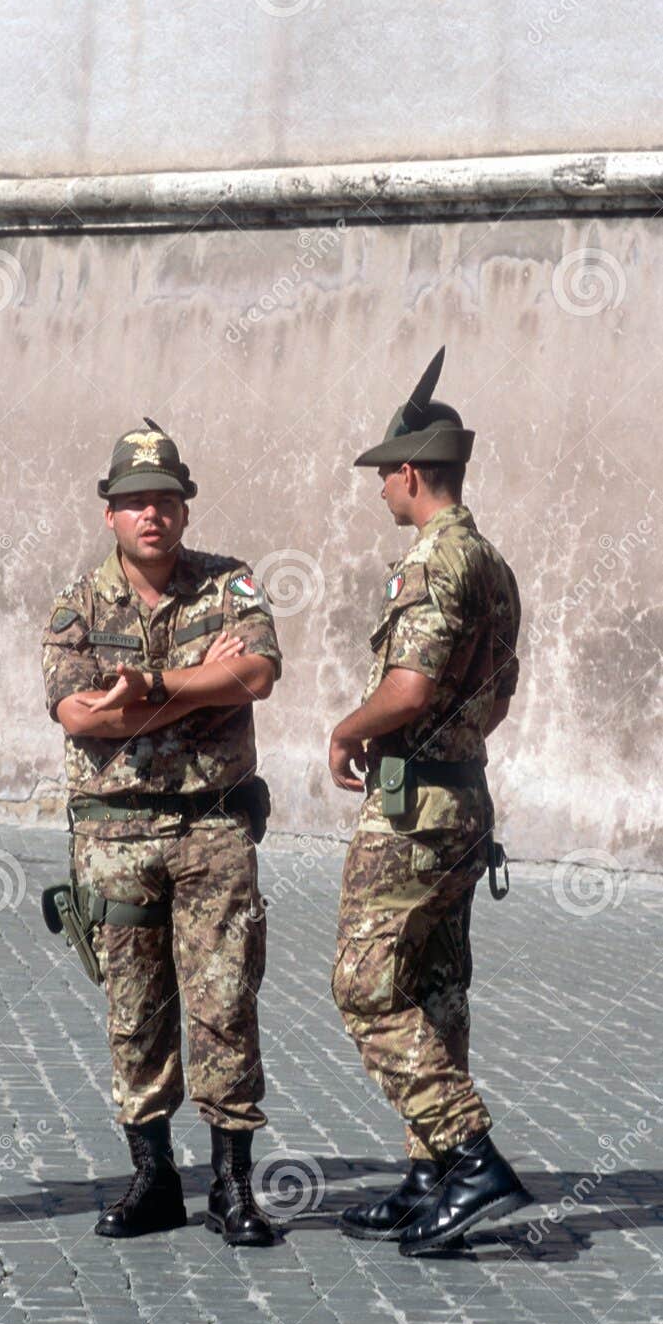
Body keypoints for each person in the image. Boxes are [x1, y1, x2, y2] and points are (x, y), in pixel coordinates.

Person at [41, 419, 282, 1247]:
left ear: (184, 509)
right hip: (116, 841)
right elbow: (79, 716)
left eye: (166, 501)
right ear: (108, 513)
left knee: (224, 1006)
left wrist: (147, 688)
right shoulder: (75, 607)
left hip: (212, 830)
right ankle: (152, 1179)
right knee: (135, 1013)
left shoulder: (230, 585)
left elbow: (255, 672)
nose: (152, 515)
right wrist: (195, 692)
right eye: (135, 502)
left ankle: (230, 1186)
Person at [328, 348, 532, 1256]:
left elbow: (408, 689)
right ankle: (430, 1176)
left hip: (411, 810)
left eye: (384, 476)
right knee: (433, 988)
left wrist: (346, 727)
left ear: (412, 473)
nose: (379, 490)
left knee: (364, 986)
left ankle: (471, 1157)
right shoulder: (490, 562)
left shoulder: (433, 562)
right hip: (461, 798)